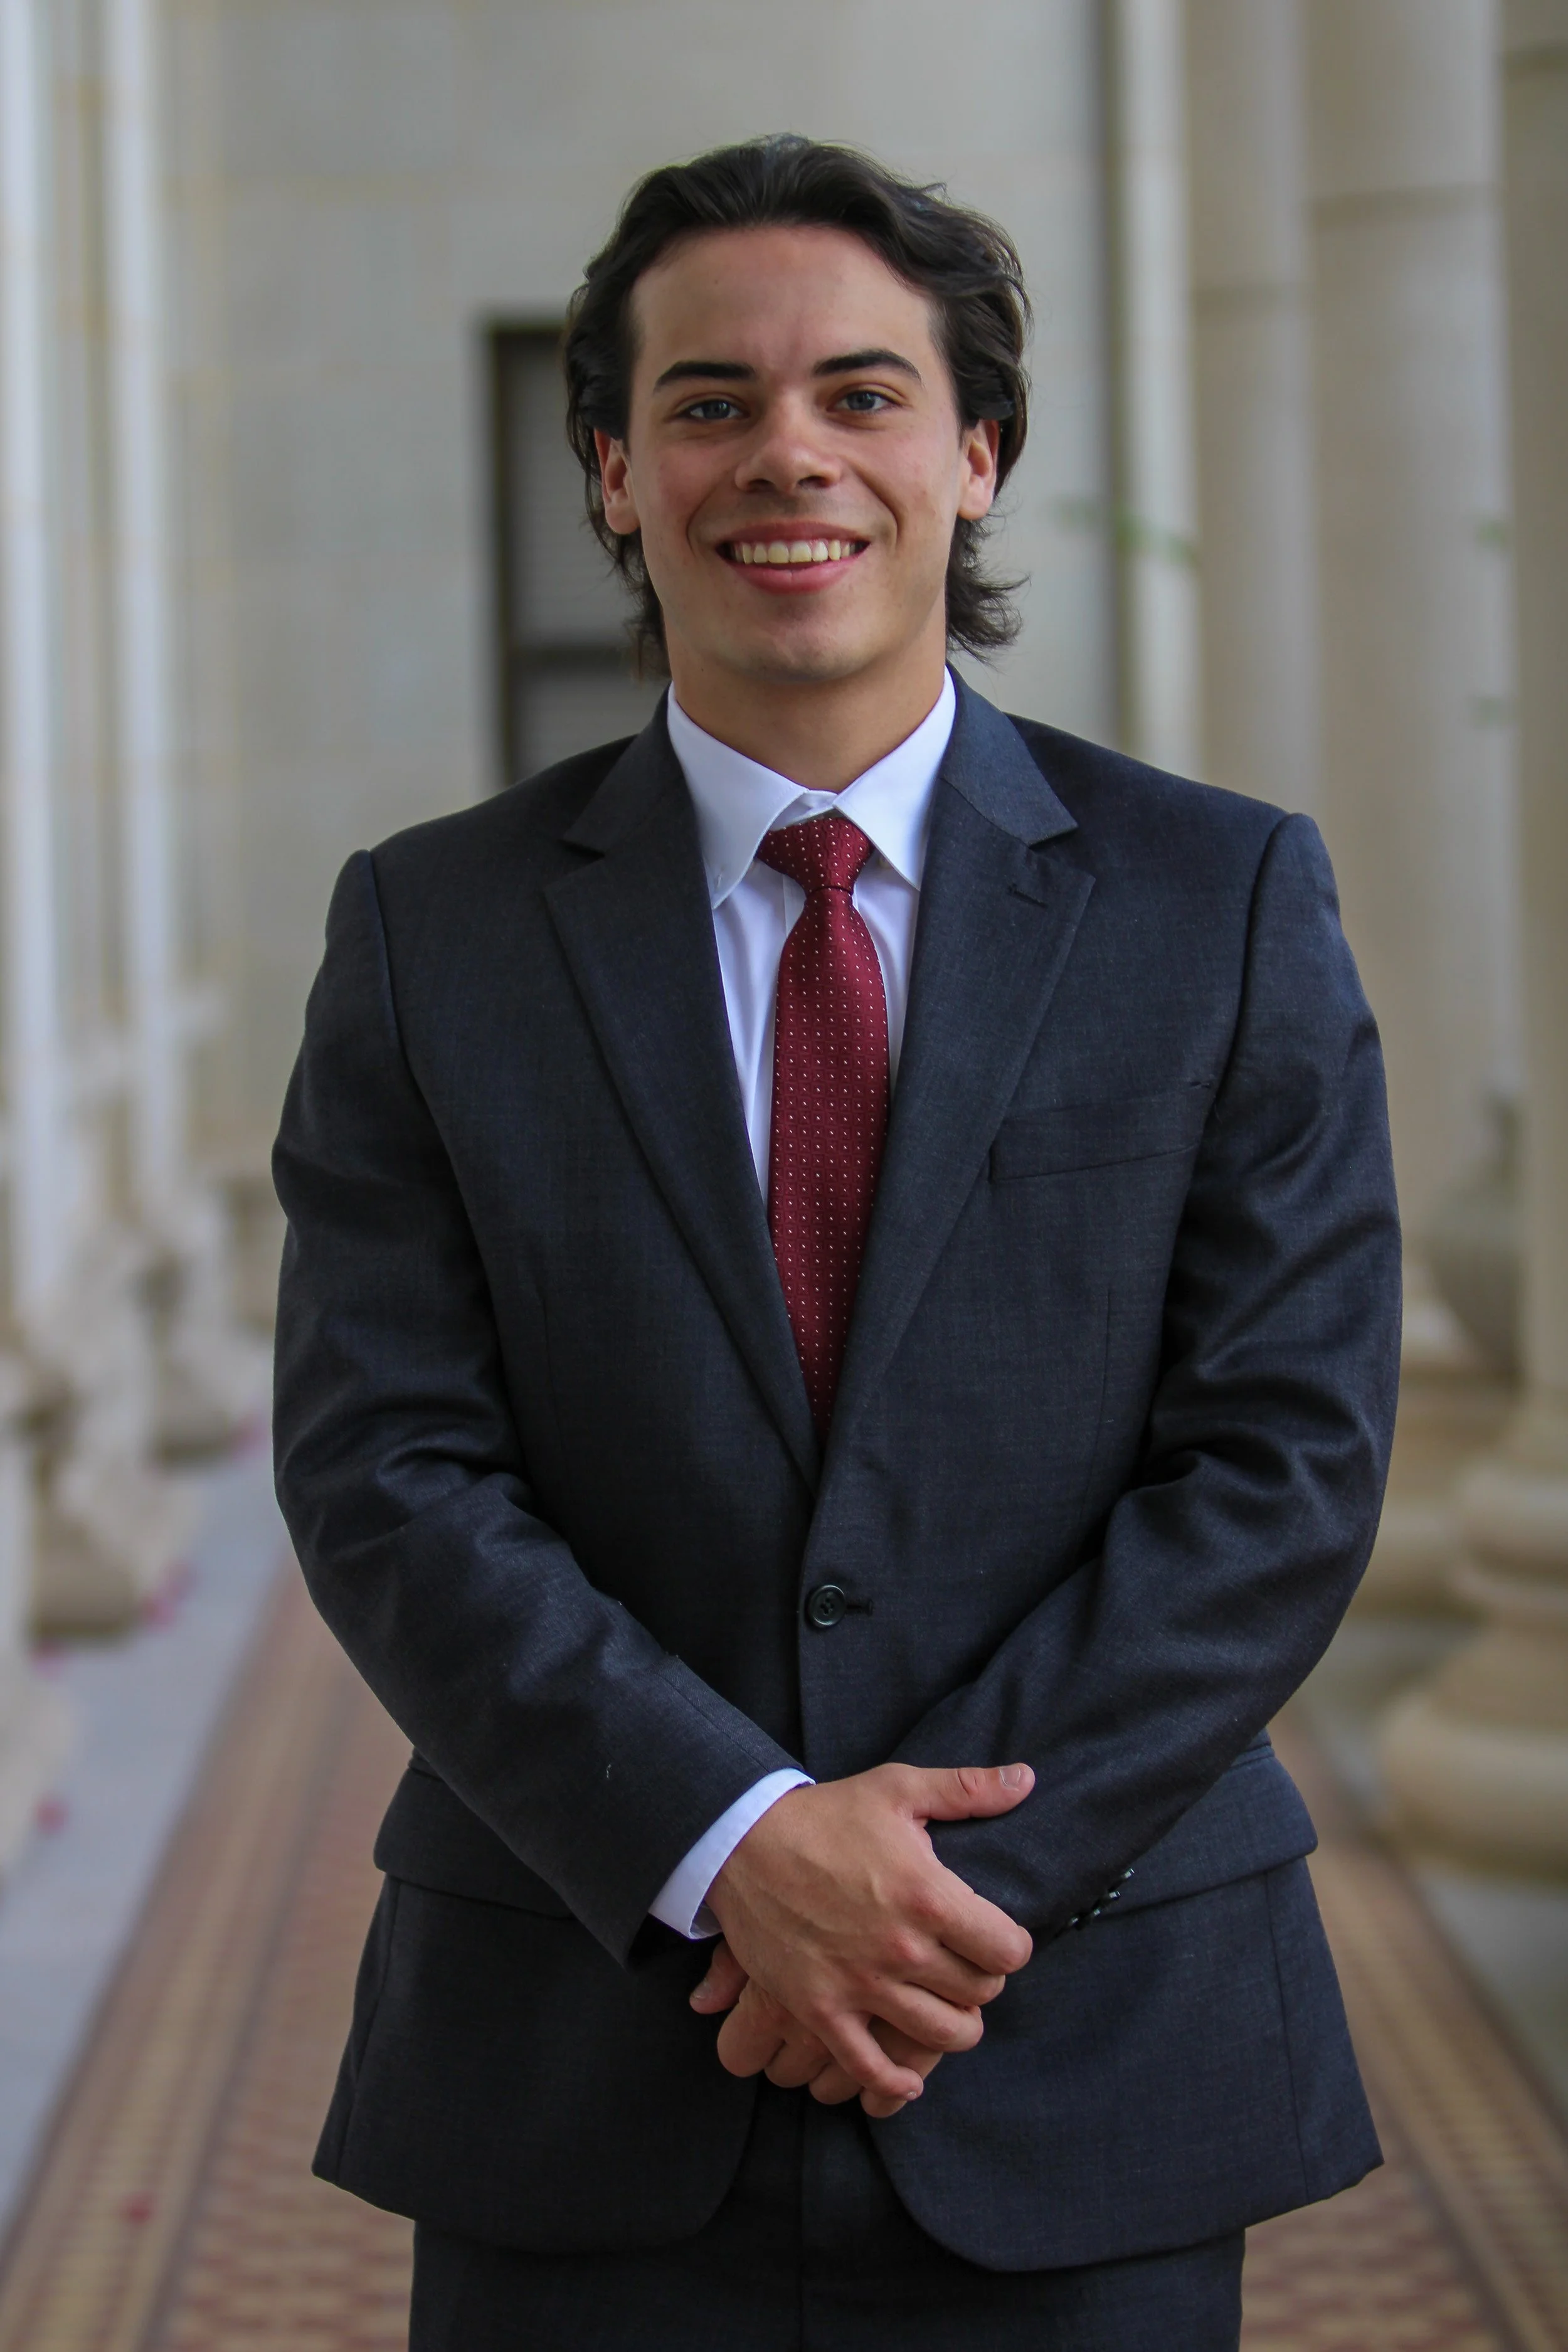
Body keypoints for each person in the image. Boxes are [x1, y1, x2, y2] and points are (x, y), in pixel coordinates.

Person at [272, 135, 1401, 2351]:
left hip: (1089, 2033)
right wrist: (730, 1839)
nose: (784, 451)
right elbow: (385, 1466)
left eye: (862, 394)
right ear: (611, 470)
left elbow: (1279, 1457)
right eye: (706, 401)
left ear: (974, 459)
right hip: (581, 2052)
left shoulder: (1219, 899)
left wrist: (909, 1891)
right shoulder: (431, 930)